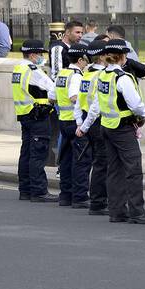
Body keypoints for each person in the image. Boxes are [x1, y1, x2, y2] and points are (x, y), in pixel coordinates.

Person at [80, 38, 145, 224]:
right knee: (133, 170)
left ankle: (117, 211)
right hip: (123, 129)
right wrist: (143, 115)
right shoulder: (122, 78)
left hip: (107, 126)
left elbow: (96, 105)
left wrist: (85, 126)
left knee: (114, 171)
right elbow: (136, 105)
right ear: (122, 56)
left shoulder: (103, 76)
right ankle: (137, 212)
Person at [12, 39, 56, 202]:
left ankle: (25, 190)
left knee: (26, 153)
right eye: (39, 54)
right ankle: (38, 191)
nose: (41, 57)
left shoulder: (18, 69)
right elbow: (54, 89)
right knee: (38, 154)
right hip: (38, 116)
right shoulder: (33, 70)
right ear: (31, 54)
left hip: (24, 115)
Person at [75, 39, 111, 214]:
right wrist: (85, 126)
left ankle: (100, 200)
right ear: (102, 57)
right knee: (101, 163)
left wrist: (81, 124)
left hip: (88, 120)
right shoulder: (100, 75)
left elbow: (79, 102)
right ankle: (98, 202)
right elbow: (96, 106)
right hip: (97, 122)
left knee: (99, 162)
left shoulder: (87, 74)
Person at [53, 45, 90, 207]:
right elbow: (75, 97)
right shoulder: (76, 76)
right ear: (80, 60)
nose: (87, 63)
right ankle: (80, 196)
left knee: (66, 159)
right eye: (86, 60)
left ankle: (65, 194)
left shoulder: (62, 73)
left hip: (63, 120)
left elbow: (51, 97)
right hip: (75, 122)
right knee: (80, 160)